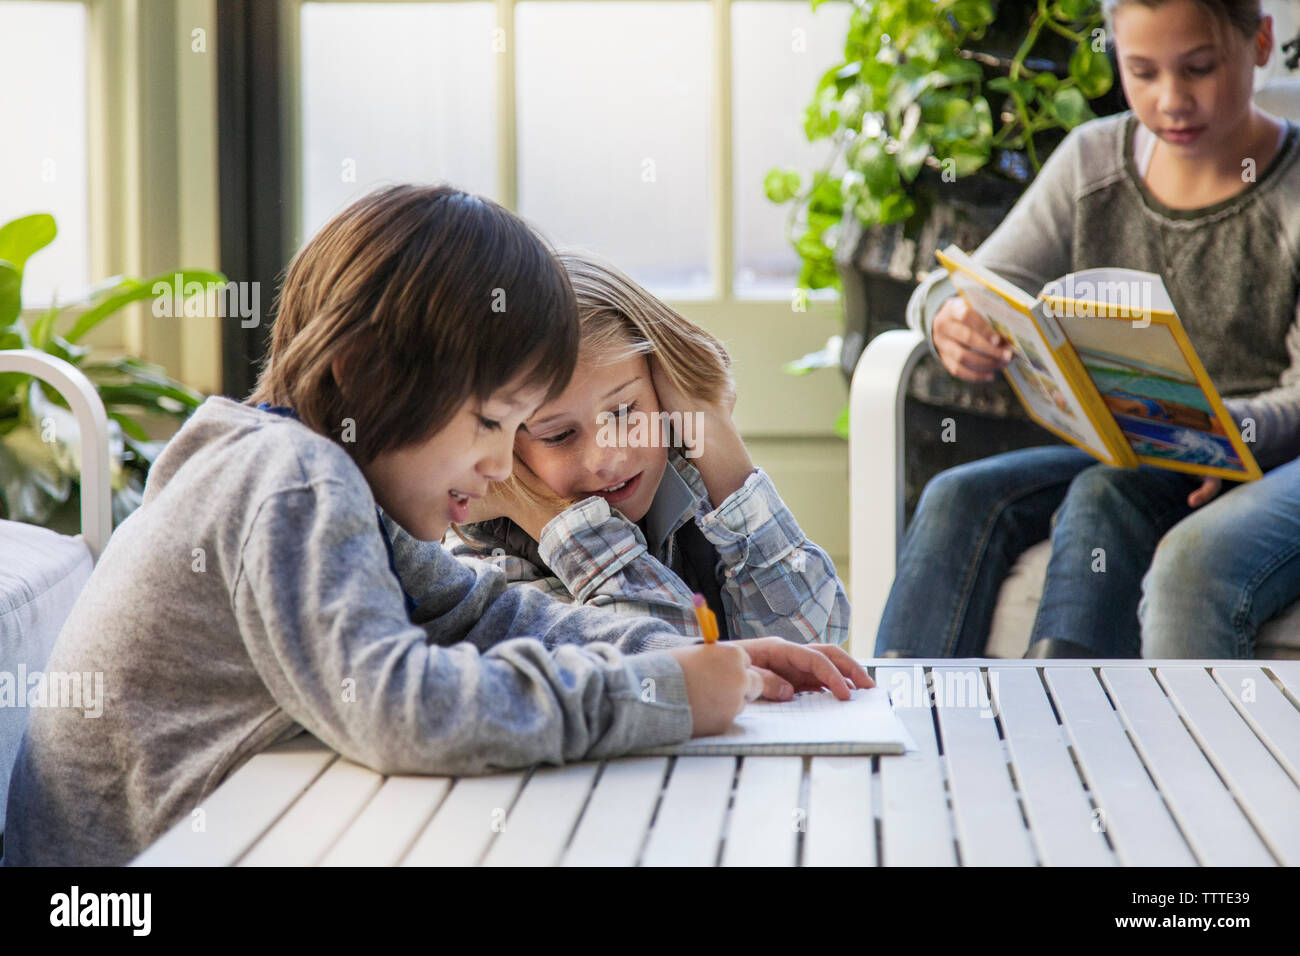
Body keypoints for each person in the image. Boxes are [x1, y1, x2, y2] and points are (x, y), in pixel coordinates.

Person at [2, 185, 867, 866]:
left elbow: (484, 615)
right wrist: (661, 693)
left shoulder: (317, 477)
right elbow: (402, 711)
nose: (501, 469)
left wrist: (678, 660)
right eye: (494, 423)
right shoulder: (289, 481)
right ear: (367, 375)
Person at [875, 0, 1300, 659]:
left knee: (1109, 489)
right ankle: (912, 724)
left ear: (1262, 41)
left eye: (1199, 69)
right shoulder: (1093, 158)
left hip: (1257, 454)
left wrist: (1211, 433)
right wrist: (946, 317)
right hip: (1132, 439)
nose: (1172, 100)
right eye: (1143, 71)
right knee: (956, 494)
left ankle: (1071, 712)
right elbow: (972, 281)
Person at [447, 252, 849, 652]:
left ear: (664, 389)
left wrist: (713, 429)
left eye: (623, 412)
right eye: (559, 435)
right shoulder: (492, 573)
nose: (607, 457)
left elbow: (815, 637)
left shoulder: (693, 492)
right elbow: (672, 668)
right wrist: (548, 513)